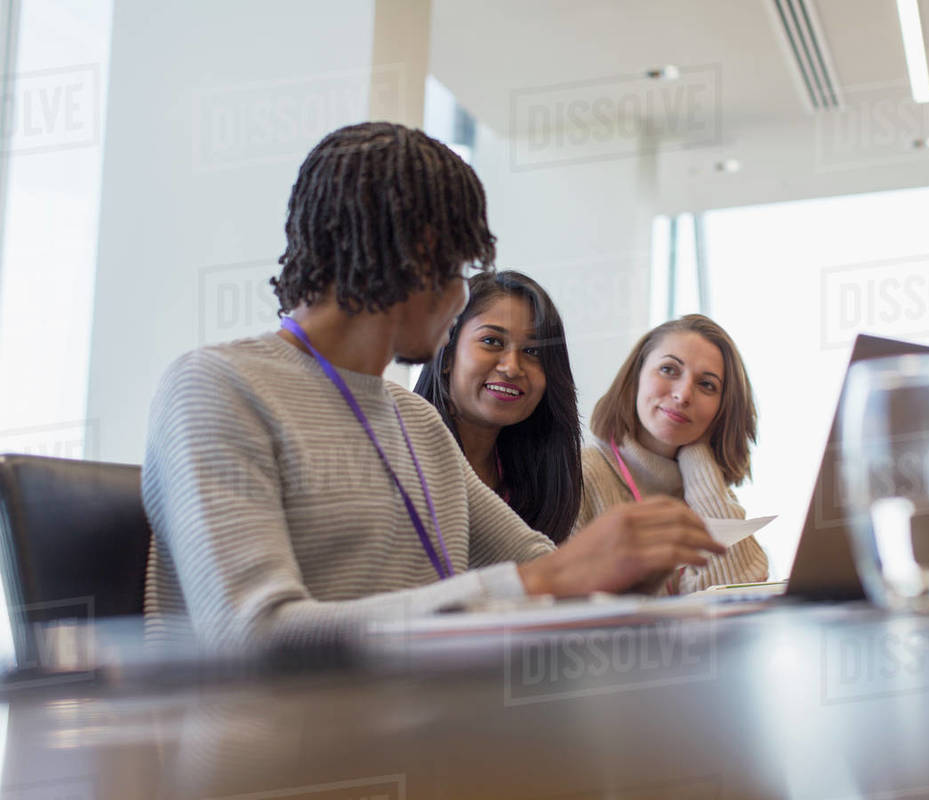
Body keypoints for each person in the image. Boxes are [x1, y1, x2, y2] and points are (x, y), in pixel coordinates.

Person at [141, 123, 724, 649]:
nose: (458, 297)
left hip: (423, 742)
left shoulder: (414, 420)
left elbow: (540, 562)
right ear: (415, 255)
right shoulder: (217, 388)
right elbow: (252, 634)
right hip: (290, 763)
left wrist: (626, 575)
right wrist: (544, 580)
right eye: (455, 268)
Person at [578, 314, 769, 593]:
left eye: (707, 385)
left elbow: (740, 601)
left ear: (723, 409)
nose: (683, 394)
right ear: (635, 378)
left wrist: (699, 462)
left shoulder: (713, 497)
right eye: (669, 369)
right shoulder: (579, 475)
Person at [413, 270, 580, 544]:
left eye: (533, 352)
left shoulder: (533, 478)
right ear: (446, 354)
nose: (512, 368)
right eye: (492, 341)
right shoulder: (400, 454)